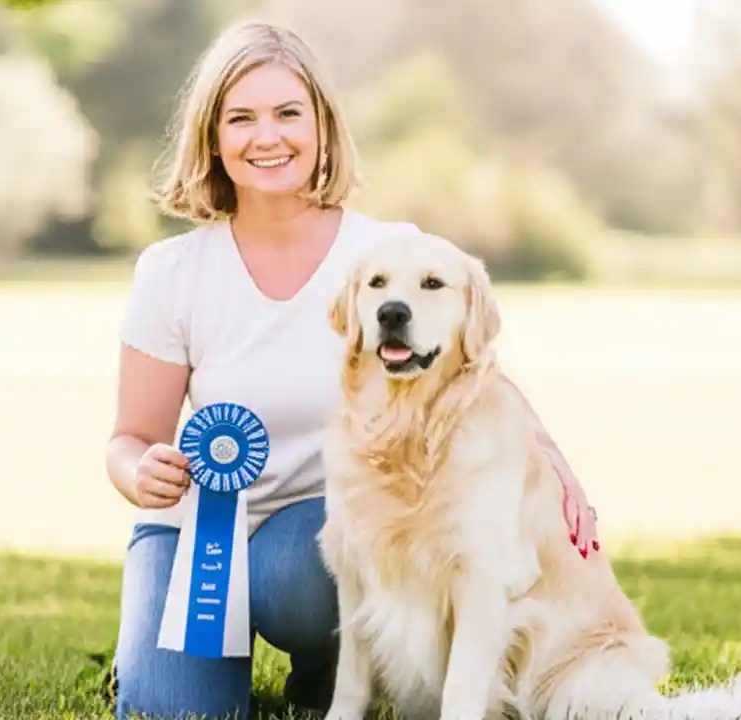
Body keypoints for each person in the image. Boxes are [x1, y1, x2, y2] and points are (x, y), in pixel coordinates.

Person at [105, 19, 600, 720]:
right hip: (198, 536)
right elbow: (131, 437)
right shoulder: (172, 272)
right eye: (241, 118)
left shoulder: (390, 253)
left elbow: (473, 369)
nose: (267, 136)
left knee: (303, 572)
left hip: (321, 531)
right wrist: (139, 471)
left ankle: (325, 667)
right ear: (213, 136)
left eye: (287, 113)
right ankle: (161, 663)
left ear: (321, 125)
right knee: (170, 714)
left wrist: (551, 458)